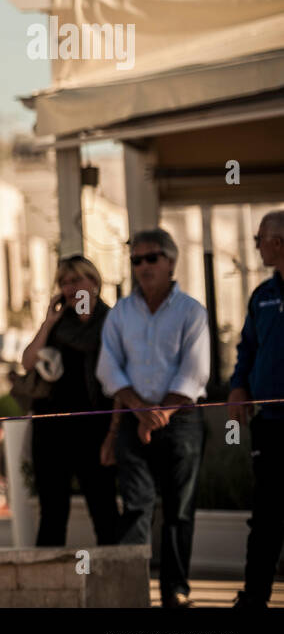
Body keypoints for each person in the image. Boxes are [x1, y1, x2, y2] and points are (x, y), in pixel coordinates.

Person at [97, 228, 210, 609]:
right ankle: (132, 592)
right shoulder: (121, 313)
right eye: (136, 260)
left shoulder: (191, 311)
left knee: (179, 508)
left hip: (181, 421)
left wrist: (160, 412)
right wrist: (141, 412)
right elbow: (109, 368)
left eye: (151, 258)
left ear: (171, 262)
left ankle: (175, 592)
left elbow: (195, 370)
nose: (143, 266)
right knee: (136, 505)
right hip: (133, 418)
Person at [20, 255, 120, 547]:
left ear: (94, 282)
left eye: (76, 280)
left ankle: (110, 581)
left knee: (103, 509)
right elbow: (27, 361)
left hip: (94, 427)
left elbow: (119, 382)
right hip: (52, 429)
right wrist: (47, 322)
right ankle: (49, 585)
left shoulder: (111, 322)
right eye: (63, 282)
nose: (69, 287)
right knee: (52, 512)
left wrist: (114, 432)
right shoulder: (58, 324)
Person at [228, 210, 284, 609]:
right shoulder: (262, 295)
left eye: (259, 238)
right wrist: (237, 388)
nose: (257, 245)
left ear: (277, 242)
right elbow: (246, 350)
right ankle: (255, 598)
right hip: (271, 426)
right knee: (265, 517)